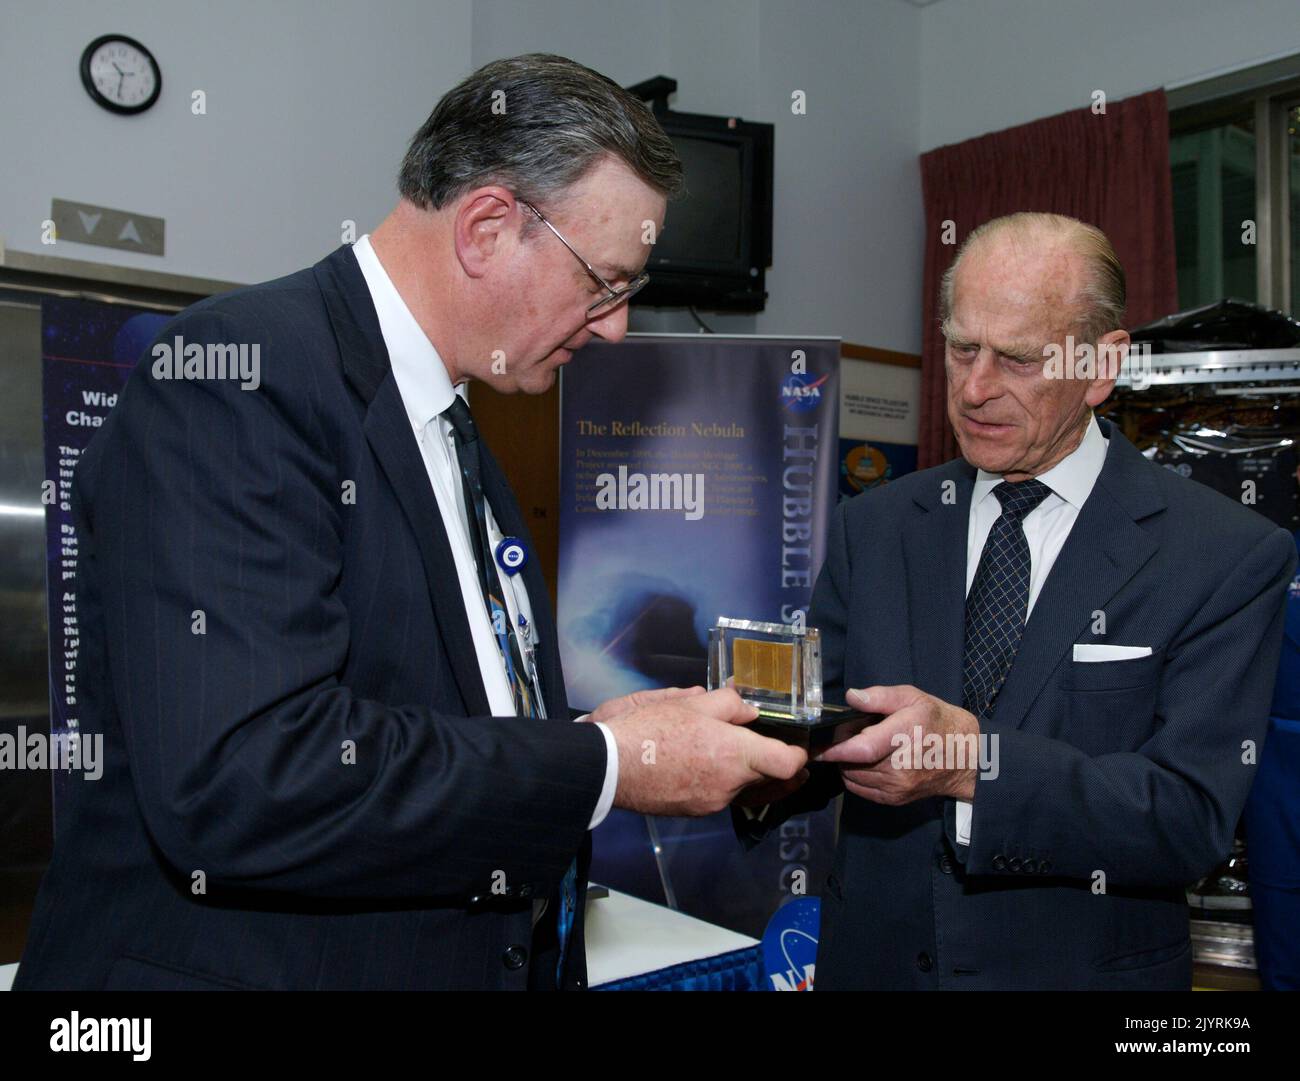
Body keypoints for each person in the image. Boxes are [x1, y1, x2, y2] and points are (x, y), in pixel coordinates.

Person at [16, 53, 804, 992]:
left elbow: (434, 719)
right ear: (486, 227)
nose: (615, 327)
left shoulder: (453, 421)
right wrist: (604, 761)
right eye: (606, 282)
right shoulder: (240, 375)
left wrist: (600, 732)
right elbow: (246, 779)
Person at [737, 212, 1296, 990]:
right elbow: (830, 725)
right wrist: (760, 760)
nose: (973, 388)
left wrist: (973, 764)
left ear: (1102, 366)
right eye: (962, 347)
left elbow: (1188, 817)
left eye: (1019, 359)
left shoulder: (1224, 554)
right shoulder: (877, 526)